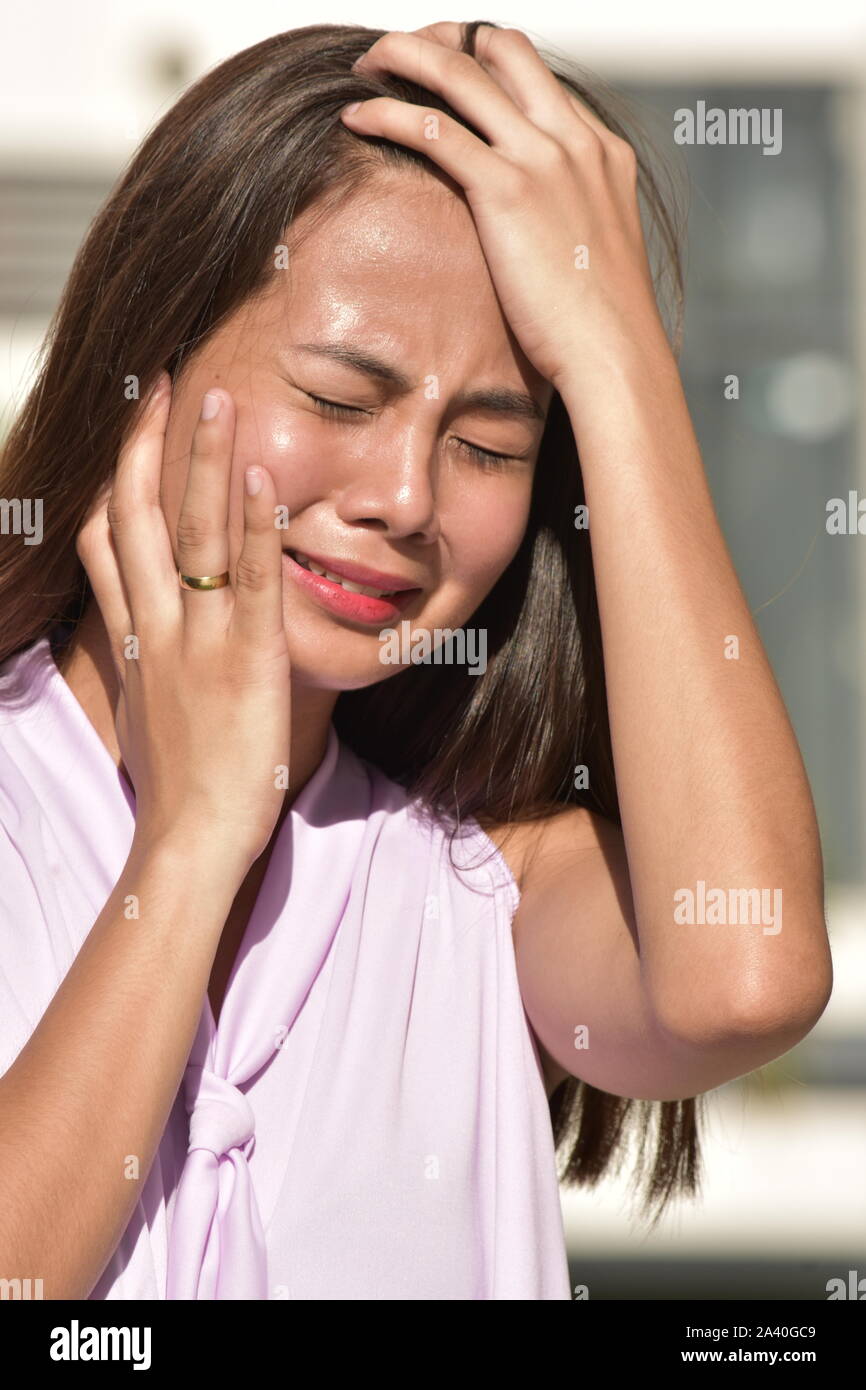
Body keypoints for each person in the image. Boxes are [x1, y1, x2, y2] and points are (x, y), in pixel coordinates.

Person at [0, 20, 832, 1301]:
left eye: (490, 447)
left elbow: (743, 978)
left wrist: (617, 362)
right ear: (144, 366)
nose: (403, 495)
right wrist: (189, 845)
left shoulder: (472, 892)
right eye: (339, 397)